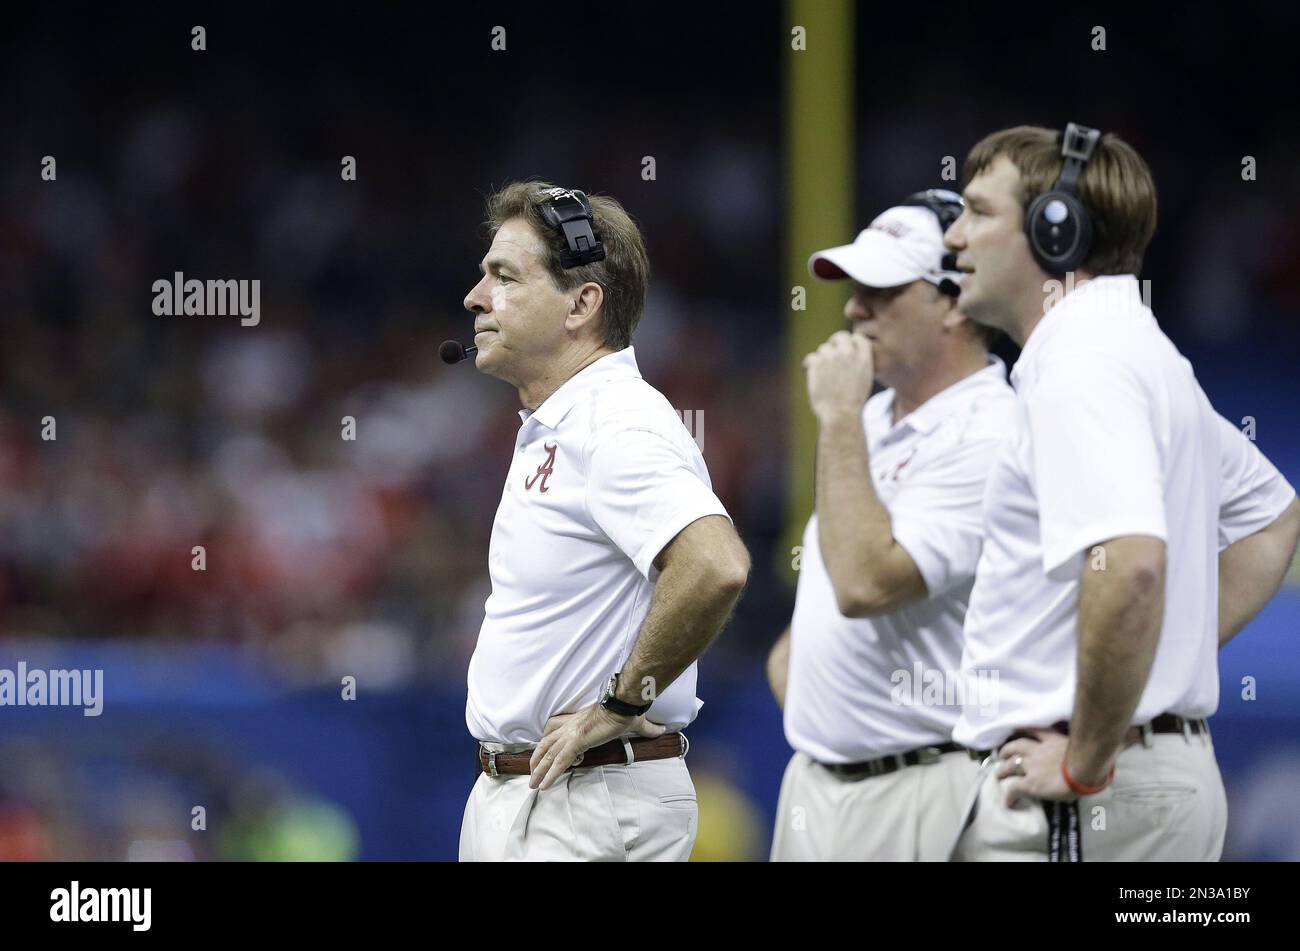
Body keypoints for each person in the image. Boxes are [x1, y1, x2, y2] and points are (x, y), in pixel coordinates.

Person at [942, 123, 1300, 861]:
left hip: (1091, 791)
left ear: (1058, 231)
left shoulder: (1084, 363)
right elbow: (1273, 519)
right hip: (1138, 778)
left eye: (978, 211)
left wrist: (1086, 753)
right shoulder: (1127, 350)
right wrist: (1148, 667)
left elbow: (1132, 564)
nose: (954, 236)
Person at [457, 182, 750, 862]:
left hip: (587, 796)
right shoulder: (566, 420)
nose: (476, 297)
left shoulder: (615, 420)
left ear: (581, 304)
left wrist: (621, 704)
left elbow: (715, 564)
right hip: (544, 794)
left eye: (505, 276)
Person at [767, 191, 1016, 861]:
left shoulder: (991, 432)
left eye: (882, 290)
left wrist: (837, 418)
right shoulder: (876, 416)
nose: (855, 308)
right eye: (856, 289)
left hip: (918, 782)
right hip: (819, 781)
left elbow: (865, 584)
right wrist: (801, 663)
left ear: (954, 302)